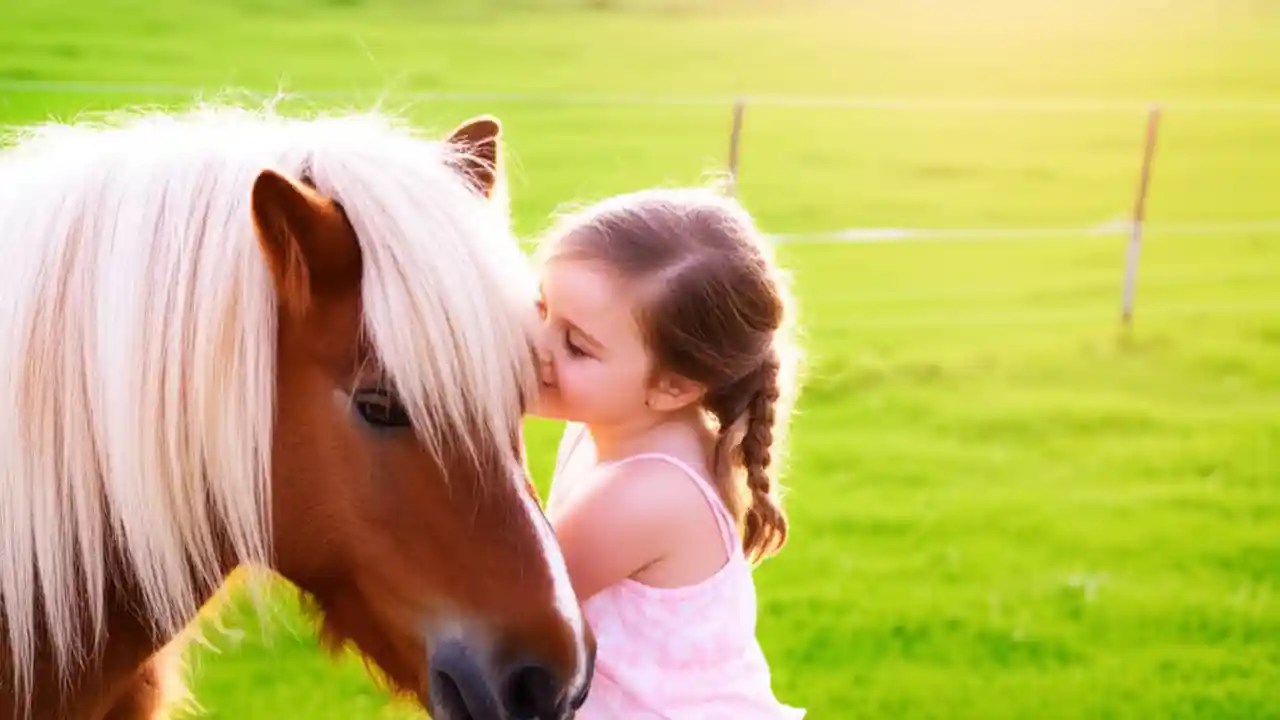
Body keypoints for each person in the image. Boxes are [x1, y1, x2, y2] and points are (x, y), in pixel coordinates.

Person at [533, 187, 805, 719]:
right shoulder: (610, 429)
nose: (536, 343)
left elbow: (509, 601)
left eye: (576, 345)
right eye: (541, 307)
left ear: (674, 386)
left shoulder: (643, 495)